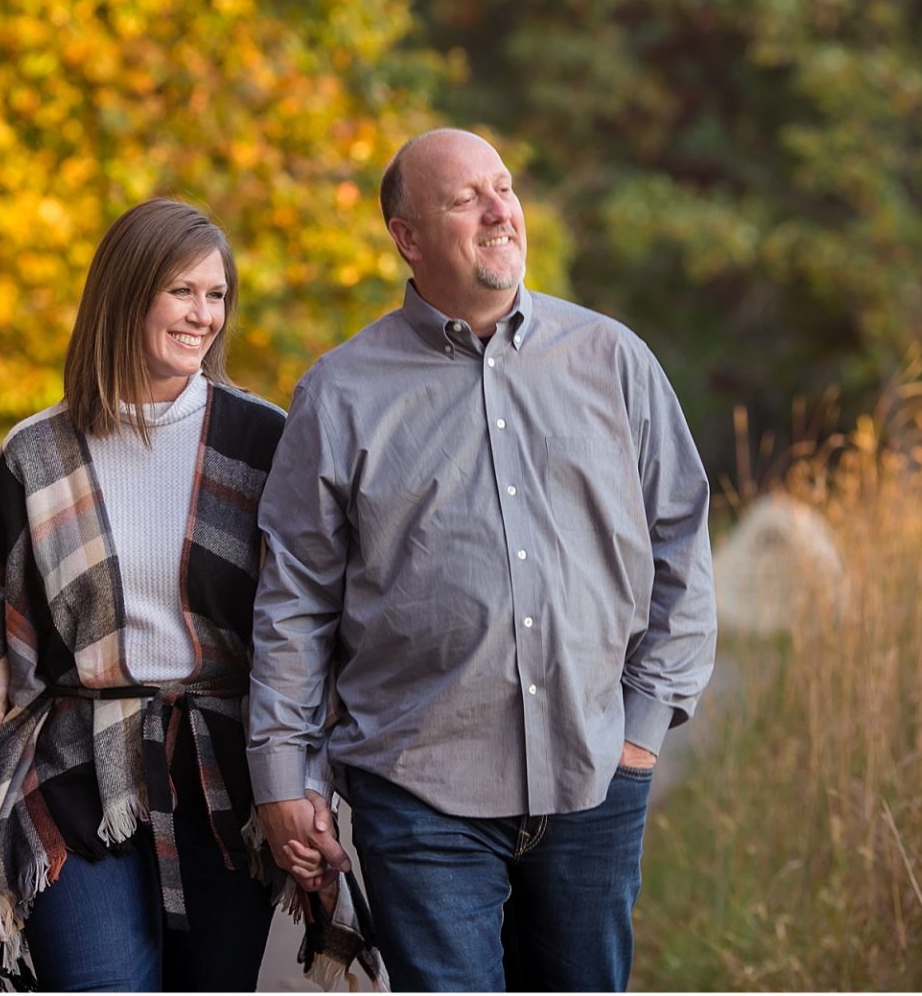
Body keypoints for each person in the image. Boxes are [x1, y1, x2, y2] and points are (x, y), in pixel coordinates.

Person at [248, 128, 718, 992]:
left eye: (504, 188)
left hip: (594, 780)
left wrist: (642, 732)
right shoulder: (339, 392)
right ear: (407, 236)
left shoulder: (613, 361)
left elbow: (680, 537)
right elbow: (294, 601)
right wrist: (283, 775)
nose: (501, 210)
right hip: (419, 792)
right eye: (467, 198)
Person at [0, 199, 379, 992]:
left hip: (227, 777)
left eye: (216, 295)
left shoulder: (263, 440)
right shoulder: (39, 453)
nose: (203, 316)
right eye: (181, 291)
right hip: (72, 768)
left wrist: (307, 780)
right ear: (126, 294)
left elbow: (310, 629)